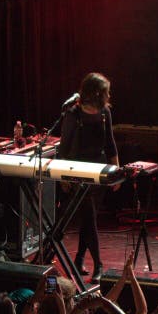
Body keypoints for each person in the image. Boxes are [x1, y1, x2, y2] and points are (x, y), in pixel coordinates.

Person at [58, 72, 119, 284]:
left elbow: (110, 143)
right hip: (77, 170)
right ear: (96, 93)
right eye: (106, 91)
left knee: (88, 217)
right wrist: (63, 176)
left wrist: (116, 172)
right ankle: (99, 263)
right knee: (89, 215)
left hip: (99, 170)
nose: (109, 95)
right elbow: (63, 147)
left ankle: (79, 258)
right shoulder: (73, 114)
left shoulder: (104, 113)